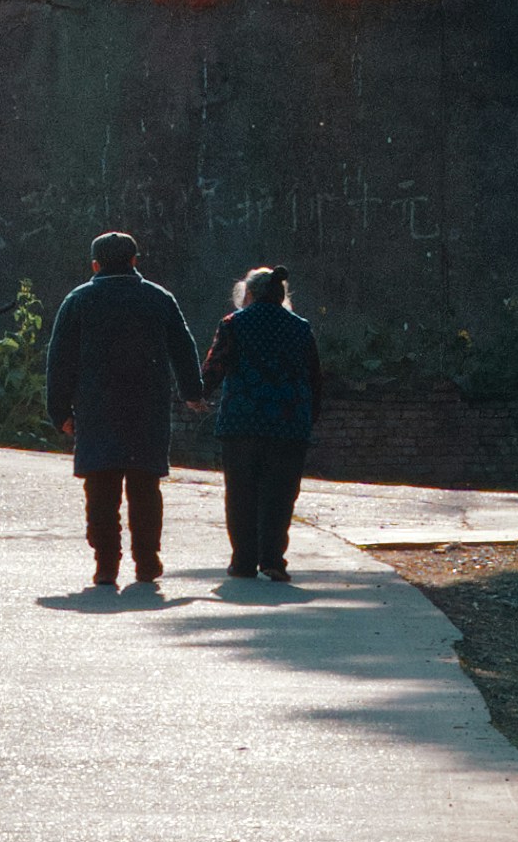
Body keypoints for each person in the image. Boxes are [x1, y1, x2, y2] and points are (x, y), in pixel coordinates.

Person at [44, 229, 201, 592]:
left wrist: (59, 411)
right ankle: (146, 561)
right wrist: (192, 391)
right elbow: (183, 345)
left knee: (100, 490)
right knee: (145, 488)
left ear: (95, 264)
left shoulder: (78, 300)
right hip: (147, 409)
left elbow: (59, 359)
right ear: (134, 261)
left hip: (97, 411)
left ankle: (105, 565)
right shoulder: (157, 297)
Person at [207, 264, 325, 580]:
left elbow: (216, 365)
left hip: (241, 423)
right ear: (281, 294)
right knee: (280, 494)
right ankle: (272, 559)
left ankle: (243, 561)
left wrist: (197, 393)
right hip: (288, 425)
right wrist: (308, 417)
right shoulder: (300, 327)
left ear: (249, 293)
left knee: (241, 493)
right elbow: (314, 377)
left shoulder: (233, 324)